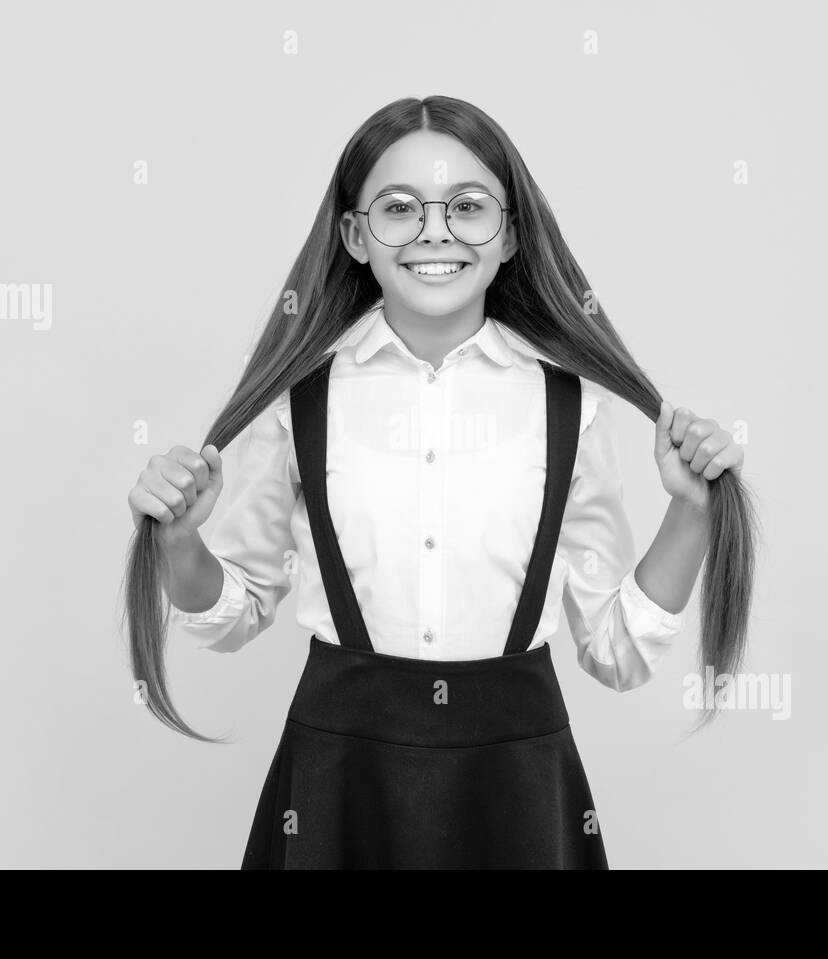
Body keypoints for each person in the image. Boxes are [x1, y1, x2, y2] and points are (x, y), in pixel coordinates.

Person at [124, 95, 756, 869]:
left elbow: (615, 649)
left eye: (467, 206)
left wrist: (690, 515)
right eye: (398, 208)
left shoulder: (569, 409)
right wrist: (181, 541)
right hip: (336, 786)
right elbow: (232, 614)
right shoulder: (299, 401)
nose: (434, 231)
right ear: (355, 235)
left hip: (516, 787)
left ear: (511, 231)